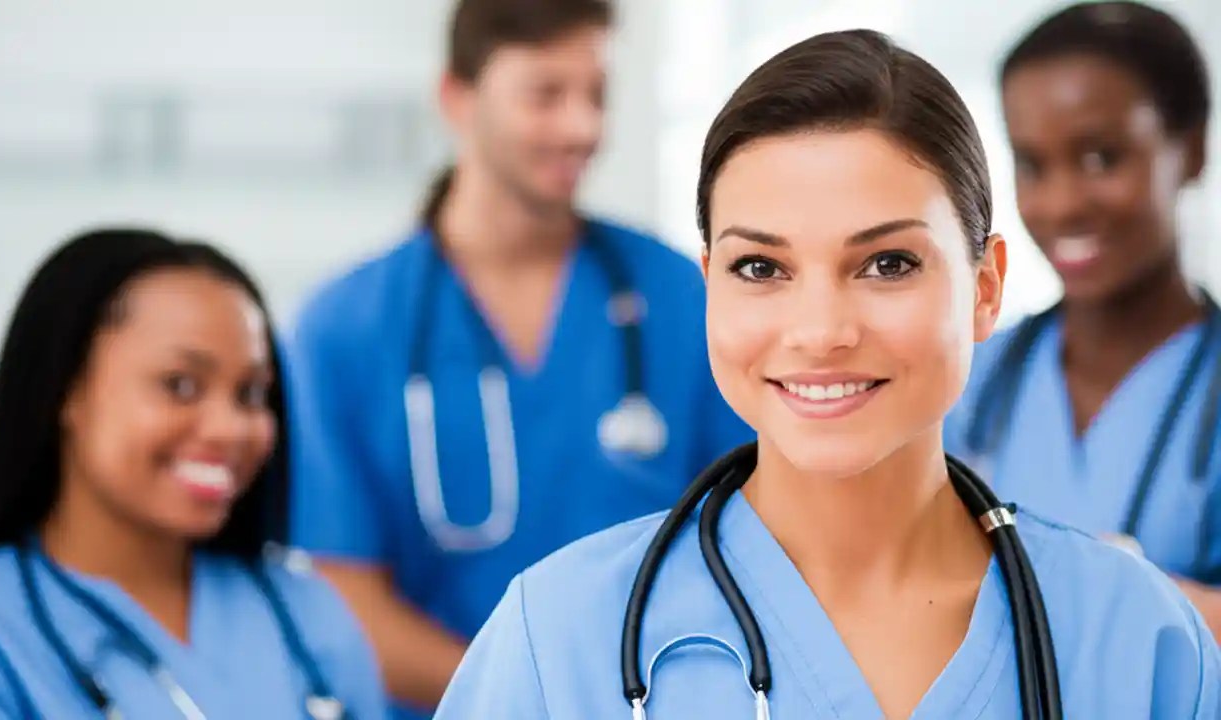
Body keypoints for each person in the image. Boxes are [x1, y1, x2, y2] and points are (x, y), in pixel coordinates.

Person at [431, 29, 1221, 719]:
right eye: (760, 267)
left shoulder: (1138, 638)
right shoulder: (559, 637)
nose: (820, 332)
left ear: (985, 289)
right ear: (709, 289)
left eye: (887, 263)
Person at [284, 1, 751, 716]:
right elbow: (347, 603)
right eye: (545, 94)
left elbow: (750, 534)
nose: (583, 127)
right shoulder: (343, 328)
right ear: (457, 97)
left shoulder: (681, 297)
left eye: (597, 94)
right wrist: (532, 698)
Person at [0, 229, 387, 719]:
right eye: (181, 385)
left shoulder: (309, 618)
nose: (230, 428)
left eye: (251, 394)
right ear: (66, 390)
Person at [943, 1, 1221, 638]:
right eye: (1032, 164)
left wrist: (1127, 598)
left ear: (1192, 148)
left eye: (1101, 158)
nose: (1063, 203)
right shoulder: (969, 381)